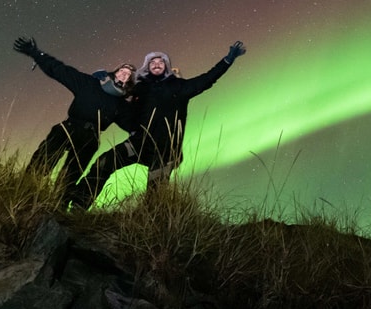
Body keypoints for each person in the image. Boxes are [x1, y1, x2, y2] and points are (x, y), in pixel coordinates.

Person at [82, 41, 245, 206]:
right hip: (139, 143)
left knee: (155, 193)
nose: (156, 64)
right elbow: (116, 90)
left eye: (161, 62)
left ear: (167, 67)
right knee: (104, 162)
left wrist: (227, 60)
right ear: (147, 67)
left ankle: (152, 219)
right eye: (152, 62)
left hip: (165, 150)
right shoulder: (139, 88)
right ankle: (79, 203)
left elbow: (208, 78)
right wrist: (104, 78)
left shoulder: (181, 87)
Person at [13, 36, 137, 209]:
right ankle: (22, 196)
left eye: (128, 75)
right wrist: (35, 53)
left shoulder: (121, 105)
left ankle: (58, 208)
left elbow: (133, 125)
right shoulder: (89, 83)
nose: (124, 73)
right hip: (68, 128)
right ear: (115, 72)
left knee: (71, 175)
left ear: (128, 81)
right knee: (42, 160)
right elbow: (59, 70)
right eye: (122, 70)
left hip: (90, 138)